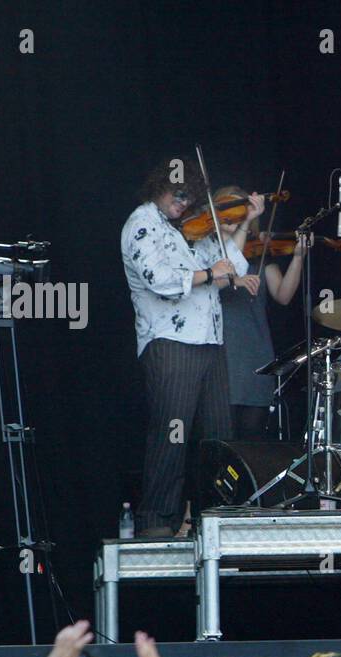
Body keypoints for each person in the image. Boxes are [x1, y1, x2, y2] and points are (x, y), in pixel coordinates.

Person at [120, 160, 264, 536]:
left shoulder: (193, 231)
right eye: (178, 194)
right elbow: (161, 281)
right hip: (170, 342)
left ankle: (214, 520)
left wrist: (241, 223)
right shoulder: (142, 224)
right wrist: (209, 274)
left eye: (191, 198)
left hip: (210, 342)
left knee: (217, 435)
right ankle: (156, 521)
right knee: (173, 432)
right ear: (159, 187)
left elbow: (233, 265)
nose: (184, 203)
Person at [211, 186, 309, 438]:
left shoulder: (259, 255)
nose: (233, 215)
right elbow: (218, 276)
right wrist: (235, 279)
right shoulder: (206, 252)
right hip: (221, 352)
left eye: (239, 209)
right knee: (220, 433)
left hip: (255, 351)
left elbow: (284, 296)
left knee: (251, 435)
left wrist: (298, 257)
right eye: (227, 208)